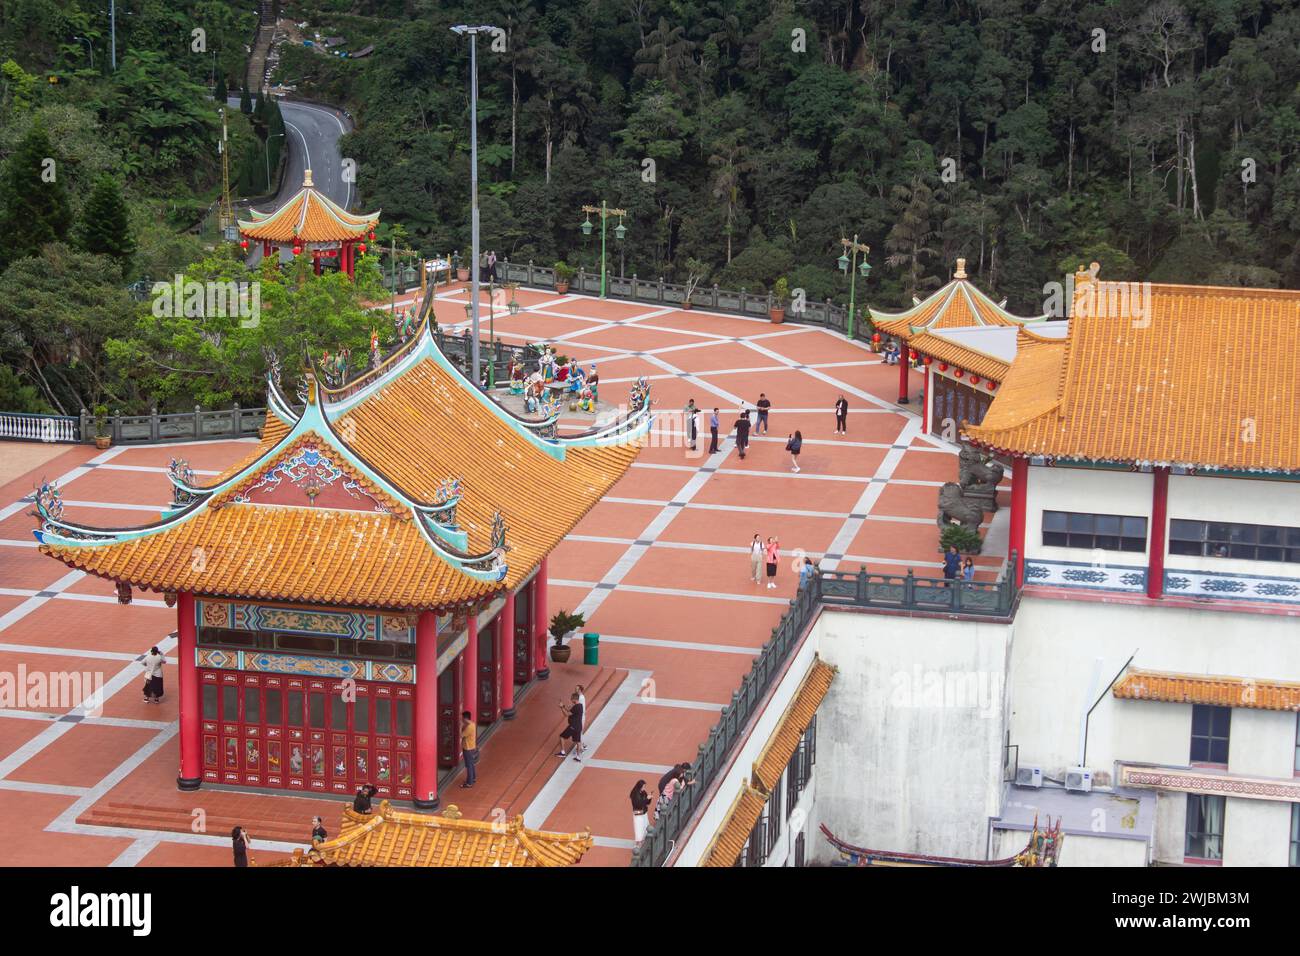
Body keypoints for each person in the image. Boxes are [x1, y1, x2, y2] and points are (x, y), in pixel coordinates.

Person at [556, 693, 583, 760]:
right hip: (579, 726)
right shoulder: (580, 706)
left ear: (574, 699)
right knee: (578, 741)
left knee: (562, 736)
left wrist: (561, 708)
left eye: (571, 698)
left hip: (573, 726)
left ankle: (562, 752)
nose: (571, 699)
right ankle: (578, 757)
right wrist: (564, 706)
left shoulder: (576, 707)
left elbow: (566, 714)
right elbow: (570, 711)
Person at [460, 710, 478, 788]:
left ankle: (469, 783)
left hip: (468, 748)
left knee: (469, 765)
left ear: (465, 718)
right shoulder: (472, 724)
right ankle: (473, 778)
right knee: (471, 764)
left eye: (462, 718)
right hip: (471, 747)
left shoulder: (469, 727)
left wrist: (460, 726)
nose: (461, 720)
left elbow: (461, 735)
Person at [630, 780, 651, 847]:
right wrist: (646, 799)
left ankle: (642, 843)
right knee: (639, 829)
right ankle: (638, 845)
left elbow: (647, 803)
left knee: (644, 827)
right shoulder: (635, 795)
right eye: (643, 786)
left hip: (644, 813)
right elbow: (638, 804)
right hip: (638, 815)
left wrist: (649, 798)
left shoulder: (643, 792)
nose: (644, 788)